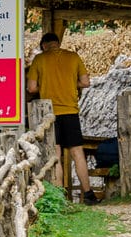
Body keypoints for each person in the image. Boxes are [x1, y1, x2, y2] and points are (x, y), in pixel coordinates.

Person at [26, 32, 99, 204]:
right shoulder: (73, 57)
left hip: (50, 114)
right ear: (58, 43)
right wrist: (69, 83)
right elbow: (86, 82)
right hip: (70, 111)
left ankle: (59, 198)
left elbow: (31, 88)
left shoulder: (39, 60)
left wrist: (46, 83)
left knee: (55, 154)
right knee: (77, 153)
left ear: (44, 45)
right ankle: (88, 194)